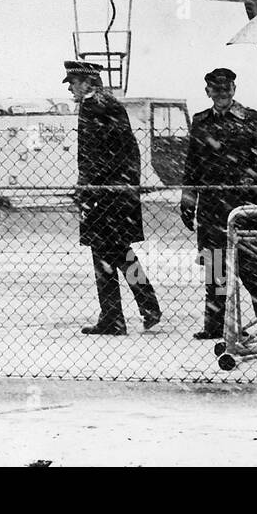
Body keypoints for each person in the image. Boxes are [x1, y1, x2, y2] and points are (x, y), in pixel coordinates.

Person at [65, 60, 161, 335]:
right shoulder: (108, 105)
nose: (70, 88)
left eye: (73, 82)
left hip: (105, 193)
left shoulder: (95, 106)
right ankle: (137, 309)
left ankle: (117, 315)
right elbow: (123, 151)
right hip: (114, 192)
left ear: (87, 82)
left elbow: (97, 155)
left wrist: (87, 188)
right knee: (117, 253)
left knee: (108, 255)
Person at [181, 68, 257, 340]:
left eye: (226, 89)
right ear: (207, 91)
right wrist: (188, 201)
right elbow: (193, 166)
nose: (222, 94)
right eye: (216, 89)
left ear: (234, 89)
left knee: (251, 269)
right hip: (212, 208)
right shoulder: (200, 122)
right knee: (214, 268)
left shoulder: (253, 119)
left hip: (244, 209)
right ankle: (214, 326)